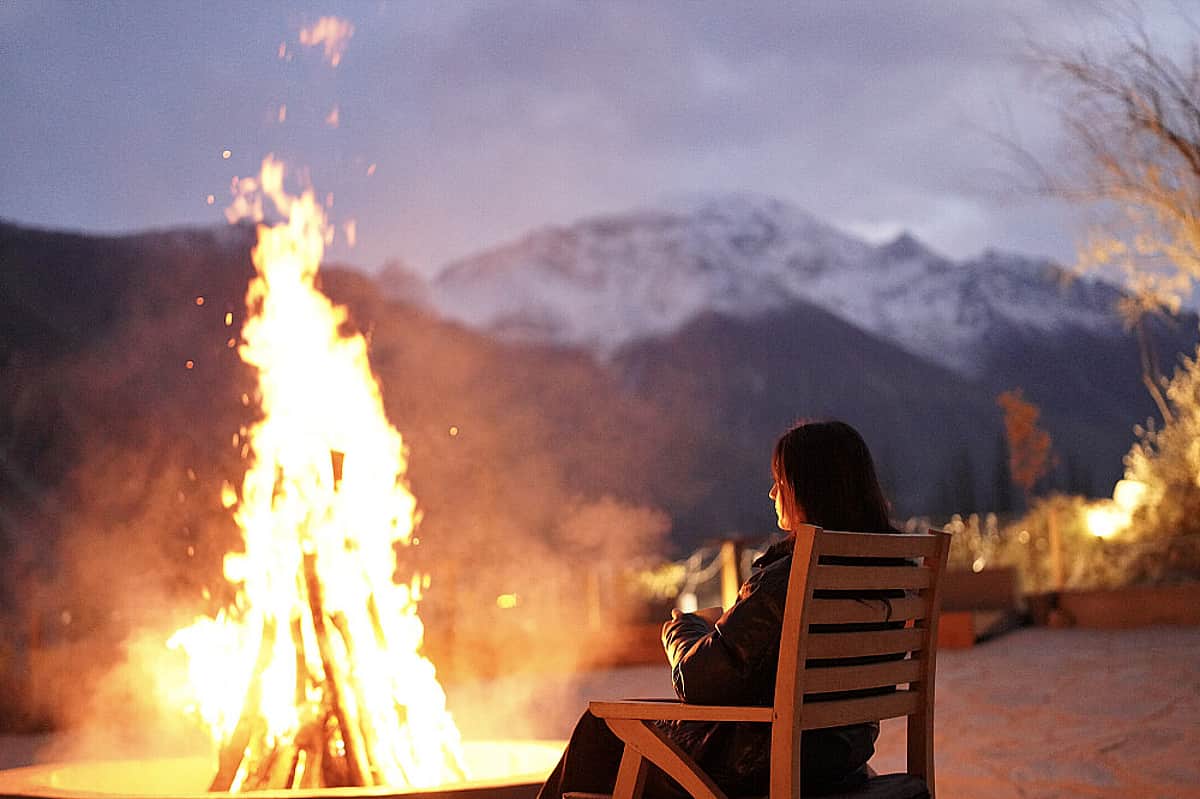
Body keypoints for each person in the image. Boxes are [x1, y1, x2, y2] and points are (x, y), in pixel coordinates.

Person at [536, 420, 898, 799]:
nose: (773, 492)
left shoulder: (790, 577)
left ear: (807, 489)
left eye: (780, 481)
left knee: (603, 725)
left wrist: (684, 628)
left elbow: (699, 684)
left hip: (762, 761)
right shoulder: (889, 574)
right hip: (841, 758)